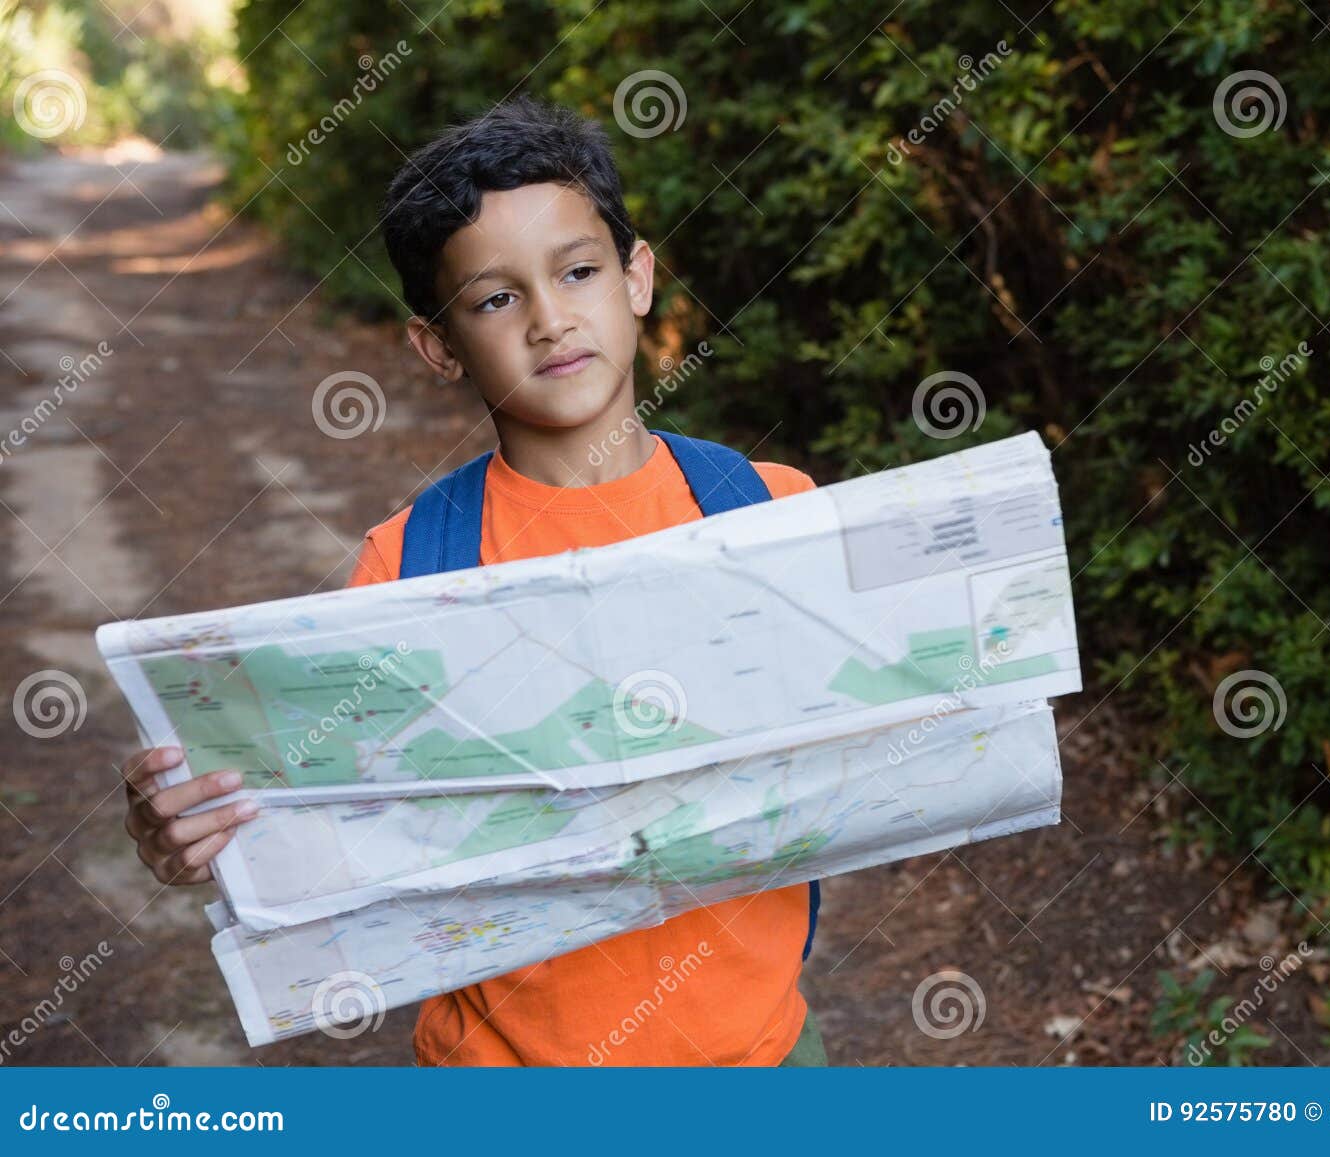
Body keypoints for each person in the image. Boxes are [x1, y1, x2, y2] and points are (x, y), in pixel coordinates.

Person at [119, 96, 827, 1067]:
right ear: (437, 344)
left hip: (767, 1061)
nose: (548, 320)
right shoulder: (405, 569)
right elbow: (323, 828)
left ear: (636, 278)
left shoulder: (768, 512)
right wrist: (196, 838)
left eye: (577, 271)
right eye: (495, 298)